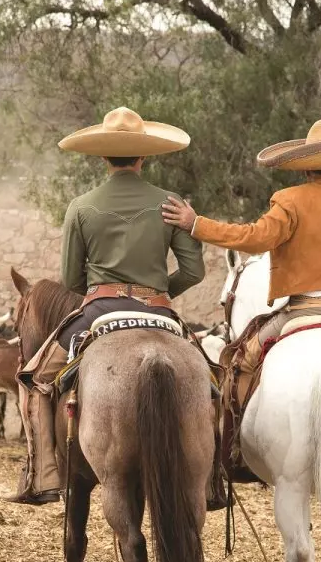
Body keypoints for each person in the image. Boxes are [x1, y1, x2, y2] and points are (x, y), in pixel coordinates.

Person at [161, 118, 321, 490]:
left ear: (305, 166)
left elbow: (253, 239)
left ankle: (237, 449)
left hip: (300, 311)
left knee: (241, 363)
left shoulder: (289, 200)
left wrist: (196, 223)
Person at [12, 106, 207, 505]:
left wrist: (103, 292)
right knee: (213, 379)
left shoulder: (81, 207)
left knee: (35, 379)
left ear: (103, 157)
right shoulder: (171, 204)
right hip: (158, 309)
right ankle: (214, 476)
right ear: (144, 156)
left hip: (99, 310)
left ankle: (43, 476)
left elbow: (70, 279)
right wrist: (158, 292)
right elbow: (193, 269)